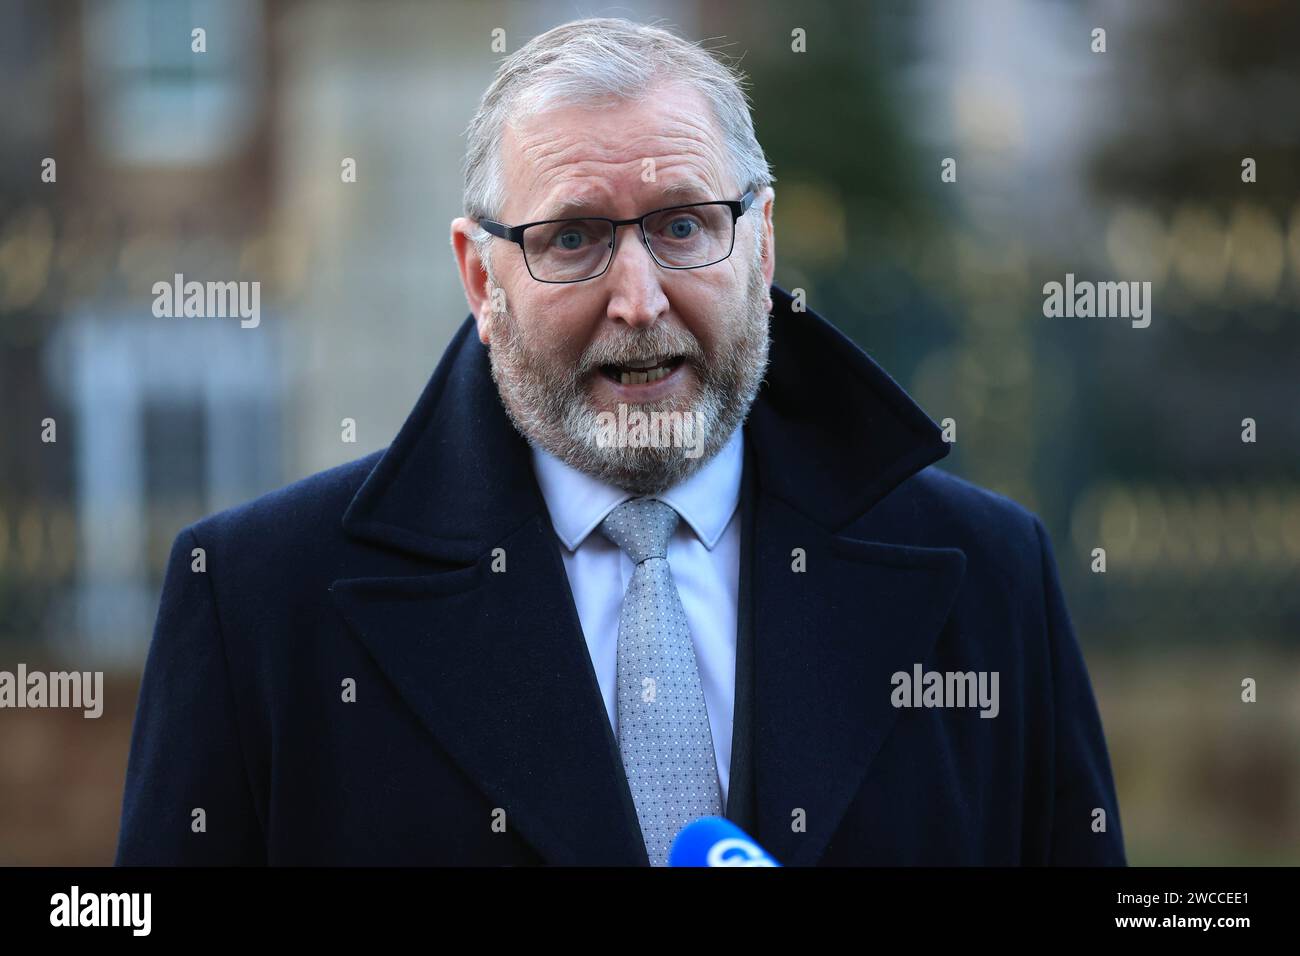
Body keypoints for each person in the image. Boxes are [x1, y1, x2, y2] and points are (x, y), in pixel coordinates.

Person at [115, 17, 1124, 866]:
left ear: (760, 244)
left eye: (684, 226)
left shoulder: (990, 578)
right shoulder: (258, 603)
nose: (638, 302)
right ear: (480, 278)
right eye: (572, 239)